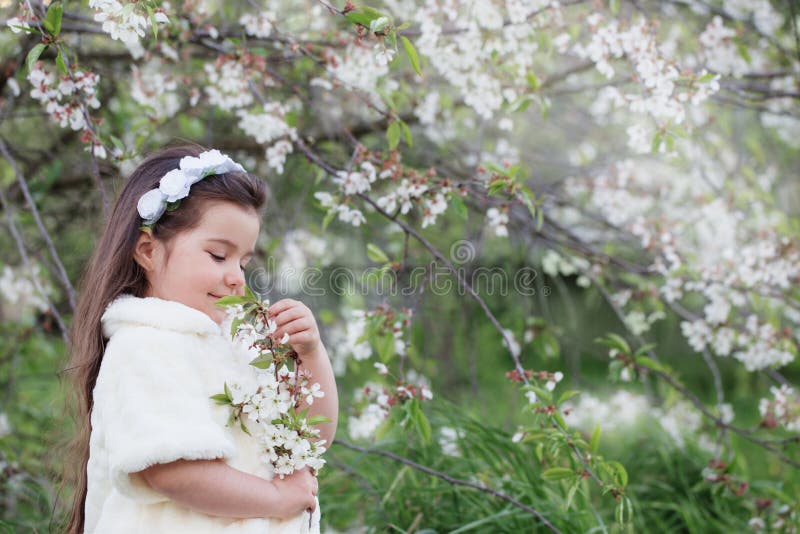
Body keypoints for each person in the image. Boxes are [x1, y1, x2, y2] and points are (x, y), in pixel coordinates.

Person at [60, 145, 339, 533]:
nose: (237, 277)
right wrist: (275, 499)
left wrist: (310, 356)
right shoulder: (145, 346)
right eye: (218, 255)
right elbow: (173, 472)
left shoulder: (240, 343)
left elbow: (310, 443)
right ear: (147, 251)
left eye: (243, 262)